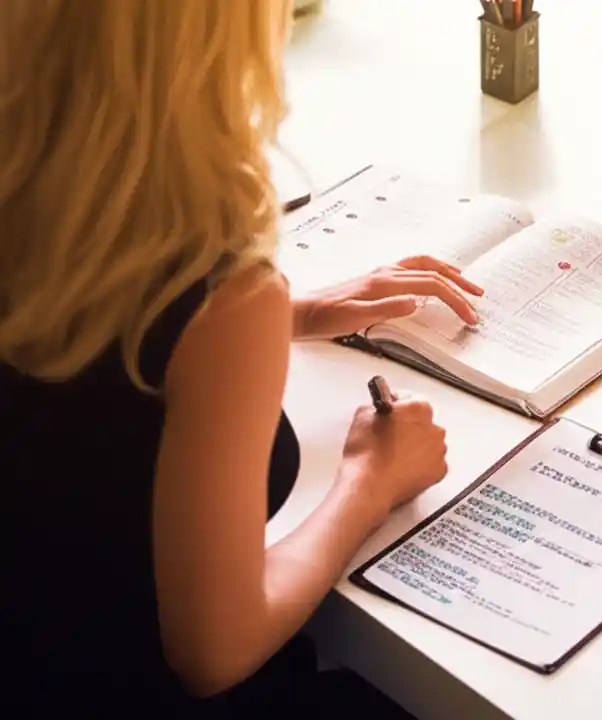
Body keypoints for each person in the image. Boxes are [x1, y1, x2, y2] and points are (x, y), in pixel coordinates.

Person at [0, 2, 483, 716]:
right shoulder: (220, 297)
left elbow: (63, 340)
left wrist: (296, 313)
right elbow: (213, 651)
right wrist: (371, 482)